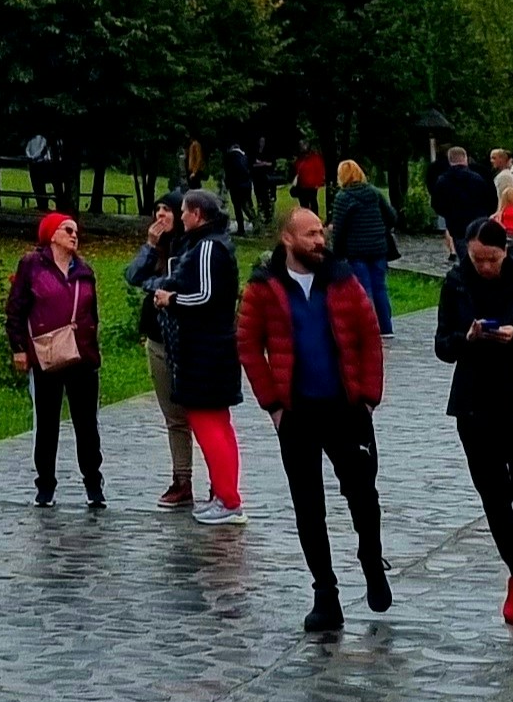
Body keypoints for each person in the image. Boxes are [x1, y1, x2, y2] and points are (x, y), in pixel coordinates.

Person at [238, 203, 393, 632]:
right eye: (310, 234)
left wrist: (368, 398)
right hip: (298, 413)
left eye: (321, 233)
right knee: (309, 506)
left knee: (363, 495)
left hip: (347, 408)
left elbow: (369, 336)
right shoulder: (263, 287)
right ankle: (325, 592)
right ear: (287, 239)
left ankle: (370, 560)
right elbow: (248, 345)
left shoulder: (343, 280)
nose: (320, 240)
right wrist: (272, 405)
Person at [435, 218, 513, 638]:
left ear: (505, 251)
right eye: (477, 258)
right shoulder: (455, 285)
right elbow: (443, 346)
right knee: (494, 499)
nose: (485, 266)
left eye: (492, 258)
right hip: (475, 407)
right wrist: (468, 336)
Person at [6, 209, 105, 509]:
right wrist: (19, 348)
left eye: (75, 231)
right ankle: (45, 485)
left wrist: (91, 344)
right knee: (47, 424)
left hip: (82, 357)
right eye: (67, 230)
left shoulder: (85, 270)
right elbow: (16, 309)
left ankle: (93, 484)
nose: (74, 235)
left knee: (86, 424)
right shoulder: (32, 266)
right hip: (47, 356)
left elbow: (93, 313)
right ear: (50, 235)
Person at [158, 187, 246, 524]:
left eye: (184, 211)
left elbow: (208, 296)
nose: (180, 217)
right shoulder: (209, 243)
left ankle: (228, 499)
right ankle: (227, 495)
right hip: (210, 346)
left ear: (198, 215)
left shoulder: (208, 247)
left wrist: (172, 300)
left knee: (209, 423)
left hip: (207, 347)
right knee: (217, 423)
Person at [126, 203, 199, 508]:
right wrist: (149, 245)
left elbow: (179, 285)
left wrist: (155, 285)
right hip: (158, 340)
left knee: (202, 415)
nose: (160, 215)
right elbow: (132, 276)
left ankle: (223, 484)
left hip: (190, 341)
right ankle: (182, 480)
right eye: (157, 210)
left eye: (167, 209)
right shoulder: (157, 249)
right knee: (174, 417)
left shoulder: (194, 248)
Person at [325, 160, 397, 347]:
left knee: (364, 290)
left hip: (356, 250)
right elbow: (391, 216)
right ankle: (386, 329)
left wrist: (337, 254)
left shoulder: (343, 197)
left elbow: (339, 229)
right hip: (378, 248)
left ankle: (368, 329)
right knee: (380, 287)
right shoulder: (374, 193)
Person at [429, 144, 488, 265]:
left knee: (463, 257)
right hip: (477, 221)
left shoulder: (443, 180)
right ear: (465, 158)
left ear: (450, 160)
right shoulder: (477, 178)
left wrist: (448, 214)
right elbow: (488, 199)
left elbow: (436, 204)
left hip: (456, 224)